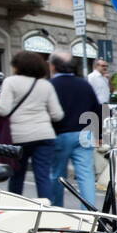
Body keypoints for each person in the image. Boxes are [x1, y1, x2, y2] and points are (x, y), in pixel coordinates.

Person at [0, 51, 63, 199]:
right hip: (45, 135)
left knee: (17, 175)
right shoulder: (46, 85)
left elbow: (3, 110)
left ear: (18, 66)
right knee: (43, 177)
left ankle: (15, 209)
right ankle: (47, 212)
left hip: (19, 137)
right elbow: (57, 115)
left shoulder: (10, 82)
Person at [47, 51, 102, 209]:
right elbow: (97, 109)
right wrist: (98, 134)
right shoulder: (84, 84)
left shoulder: (51, 85)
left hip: (60, 134)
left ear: (53, 66)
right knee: (86, 176)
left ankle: (57, 209)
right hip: (85, 133)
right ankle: (89, 215)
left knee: (57, 175)